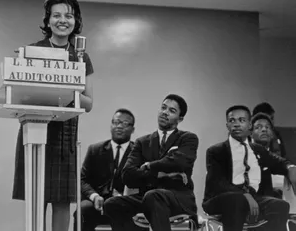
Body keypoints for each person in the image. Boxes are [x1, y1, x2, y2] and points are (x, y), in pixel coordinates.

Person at [12, 0, 94, 231]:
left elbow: (88, 103)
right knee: (37, 199)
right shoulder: (33, 51)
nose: (62, 20)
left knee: (62, 203)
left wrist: (65, 91)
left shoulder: (81, 57)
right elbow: (22, 94)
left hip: (65, 136)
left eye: (68, 16)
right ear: (47, 21)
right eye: (56, 15)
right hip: (36, 132)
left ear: (75, 20)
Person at [103, 94, 199, 231]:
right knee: (112, 204)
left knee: (154, 196)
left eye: (172, 111)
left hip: (178, 197)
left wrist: (149, 166)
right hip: (147, 196)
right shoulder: (142, 142)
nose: (165, 112)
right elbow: (127, 175)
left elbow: (180, 162)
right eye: (163, 108)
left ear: (180, 118)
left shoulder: (188, 138)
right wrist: (161, 173)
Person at [202, 105, 296, 231]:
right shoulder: (216, 151)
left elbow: (278, 162)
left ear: (249, 125)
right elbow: (218, 182)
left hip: (255, 198)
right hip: (222, 198)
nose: (236, 124)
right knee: (237, 200)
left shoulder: (259, 150)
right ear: (227, 126)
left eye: (241, 120)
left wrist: (289, 167)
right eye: (232, 120)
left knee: (280, 205)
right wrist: (245, 195)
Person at [74, 108, 135, 231]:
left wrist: (124, 197)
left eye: (125, 123)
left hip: (124, 204)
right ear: (111, 125)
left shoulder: (138, 152)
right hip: (97, 203)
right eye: (116, 122)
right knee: (83, 210)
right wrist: (95, 196)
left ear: (132, 129)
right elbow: (82, 180)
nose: (119, 126)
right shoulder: (95, 150)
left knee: (133, 213)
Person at [250, 112, 284, 198]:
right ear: (250, 133)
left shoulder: (273, 158)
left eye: (267, 127)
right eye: (258, 127)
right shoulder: (245, 154)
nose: (264, 129)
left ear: (272, 134)